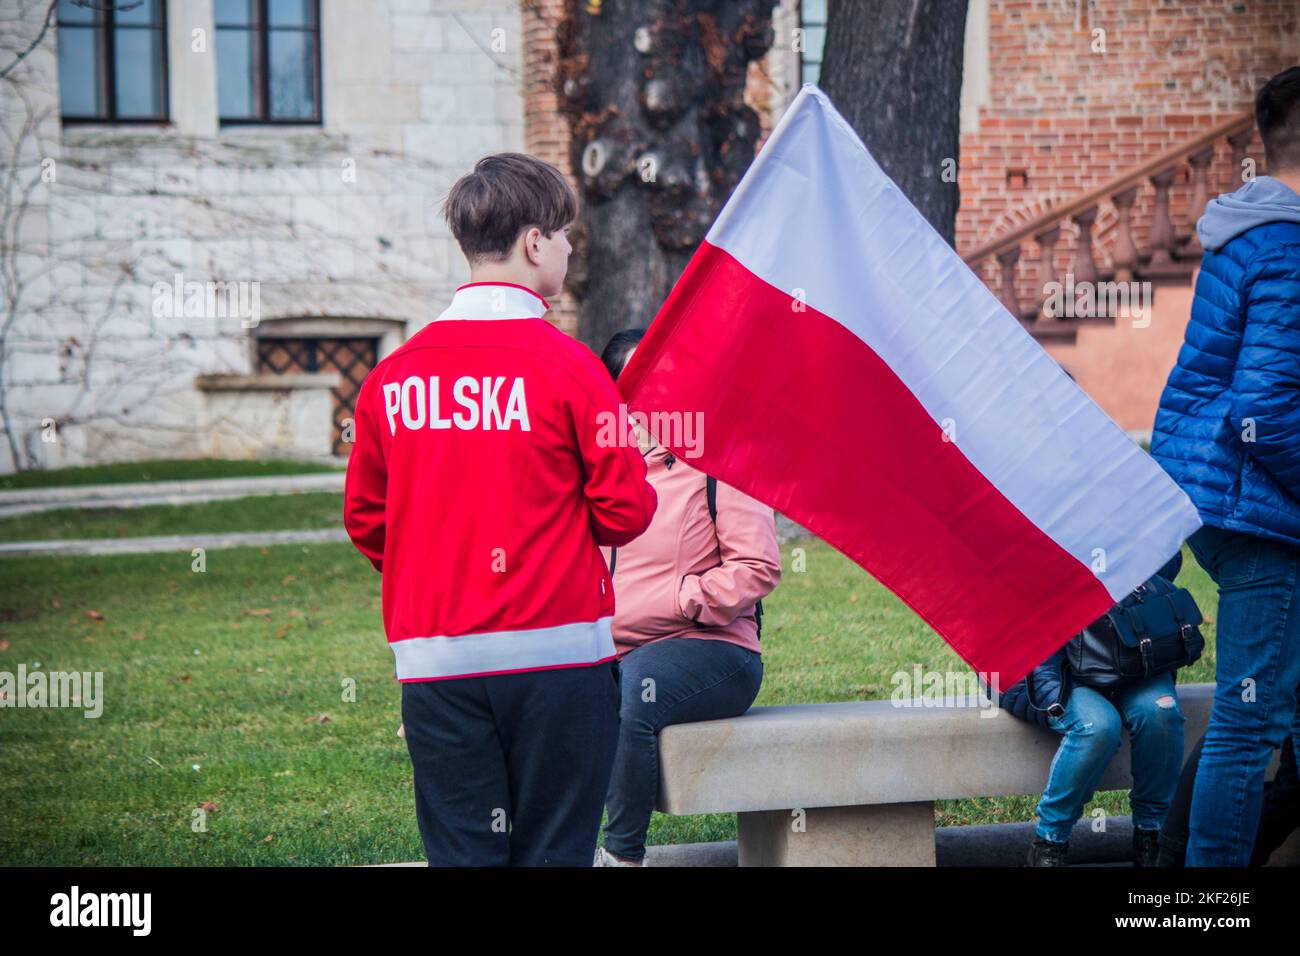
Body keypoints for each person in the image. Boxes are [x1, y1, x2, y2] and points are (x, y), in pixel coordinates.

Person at [344, 154, 657, 866]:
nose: (572, 249)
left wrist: (434, 564)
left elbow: (367, 517)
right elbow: (627, 510)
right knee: (553, 849)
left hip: (436, 656)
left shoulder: (393, 376)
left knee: (462, 853)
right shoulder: (573, 366)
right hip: (557, 653)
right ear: (534, 243)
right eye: (566, 234)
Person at [1149, 65, 1300, 866]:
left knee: (1275, 712)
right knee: (1250, 717)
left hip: (1223, 493)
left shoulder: (1246, 230)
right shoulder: (1288, 245)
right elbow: (1264, 410)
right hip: (1257, 506)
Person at [592, 329, 781, 866]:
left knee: (634, 691)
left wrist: (679, 598)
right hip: (609, 645)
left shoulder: (722, 458)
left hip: (710, 645)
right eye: (635, 381)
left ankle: (622, 855)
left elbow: (758, 567)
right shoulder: (599, 468)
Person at [1000, 555, 1188, 867]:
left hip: (1125, 649)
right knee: (1096, 725)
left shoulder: (1121, 513)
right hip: (1047, 662)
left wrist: (1126, 545)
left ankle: (1151, 836)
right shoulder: (1028, 527)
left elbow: (1168, 564)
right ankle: (1049, 843)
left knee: (1160, 712)